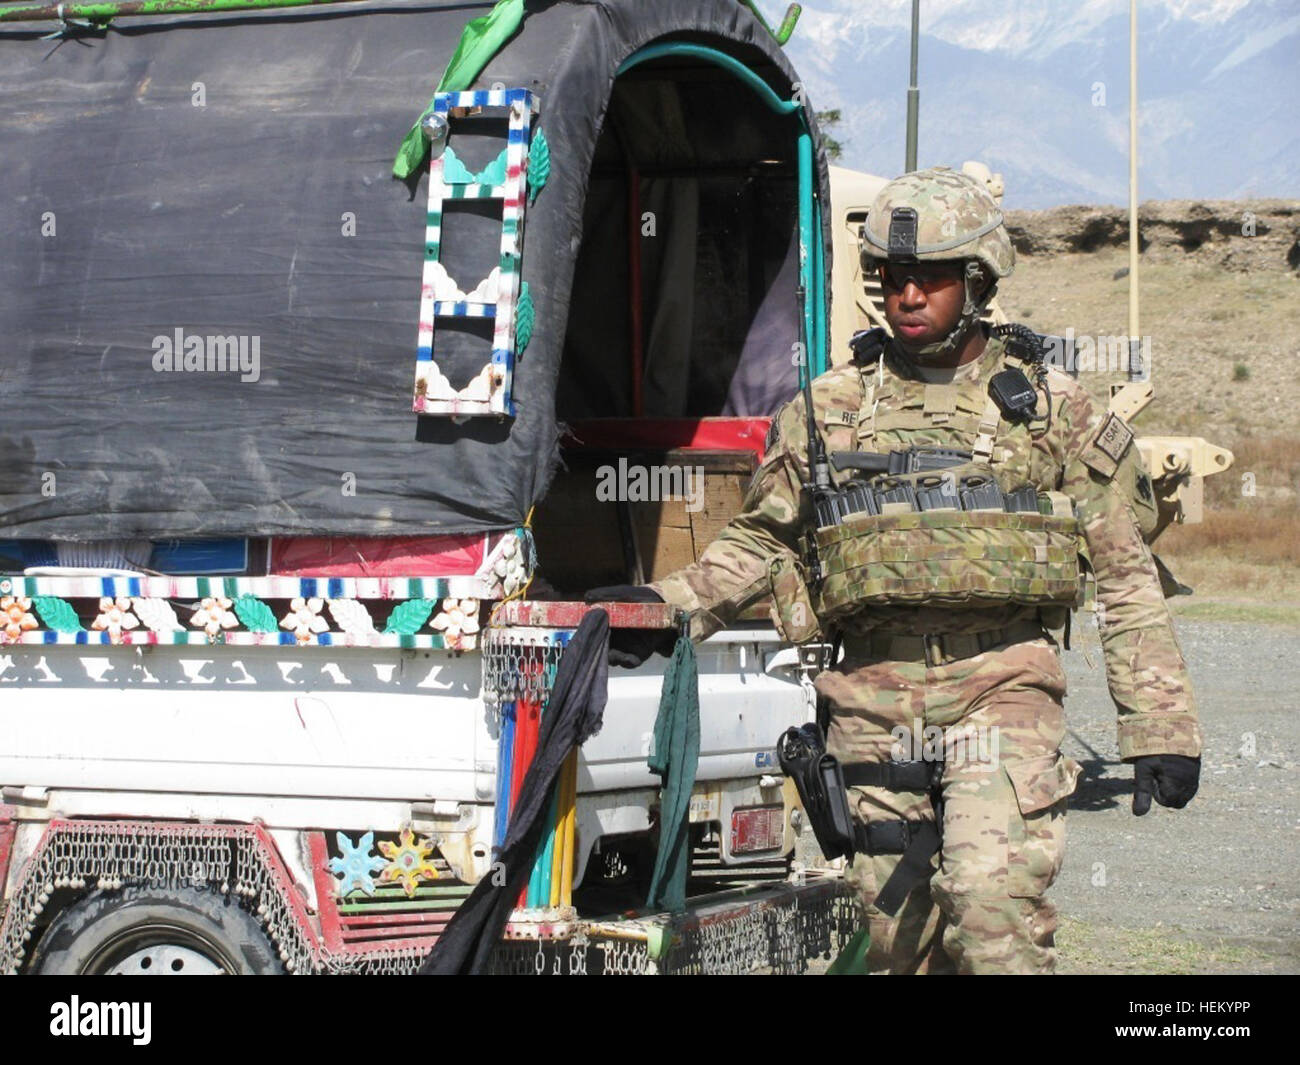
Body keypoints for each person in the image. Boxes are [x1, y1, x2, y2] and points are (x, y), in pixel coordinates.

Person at [588, 167, 1202, 974]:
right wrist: (660, 610)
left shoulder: (1051, 408)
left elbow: (1123, 569)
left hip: (1001, 686)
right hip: (870, 700)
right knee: (891, 945)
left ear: (978, 279)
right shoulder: (827, 408)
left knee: (992, 916)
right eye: (893, 278)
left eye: (932, 277)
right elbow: (766, 538)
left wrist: (1158, 724)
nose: (908, 295)